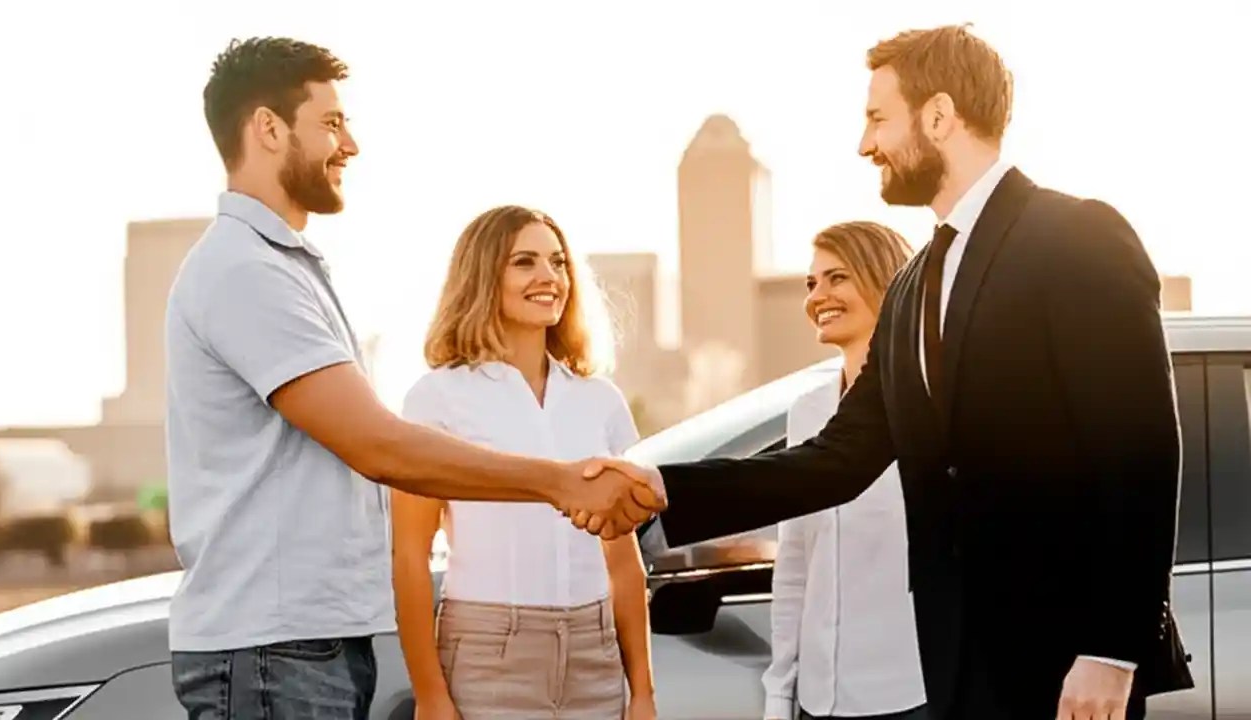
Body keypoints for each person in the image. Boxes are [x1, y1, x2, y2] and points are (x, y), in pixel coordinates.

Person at [579, 24, 1193, 720]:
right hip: (955, 667)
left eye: (877, 118)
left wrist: (1113, 650)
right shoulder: (909, 289)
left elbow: (1140, 451)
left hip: (1071, 669)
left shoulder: (1078, 235)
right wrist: (664, 487)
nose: (865, 144)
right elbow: (837, 459)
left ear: (938, 116)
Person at [166, 38, 661, 720]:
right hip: (272, 653)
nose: (352, 145)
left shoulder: (284, 268)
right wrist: (555, 480)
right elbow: (380, 448)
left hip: (303, 646)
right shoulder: (246, 272)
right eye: (331, 123)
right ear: (268, 129)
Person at [391, 205, 656, 720]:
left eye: (558, 263)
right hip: (489, 654)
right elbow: (409, 556)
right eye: (525, 262)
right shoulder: (437, 398)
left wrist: (641, 690)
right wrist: (430, 695)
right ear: (483, 275)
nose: (548, 277)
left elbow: (623, 561)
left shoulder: (600, 400)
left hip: (594, 656)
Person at [762, 221, 925, 720]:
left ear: (884, 280)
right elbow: (794, 564)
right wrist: (780, 692)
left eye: (837, 278)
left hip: (911, 694)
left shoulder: (932, 406)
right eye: (812, 283)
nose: (818, 296)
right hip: (819, 699)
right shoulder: (807, 412)